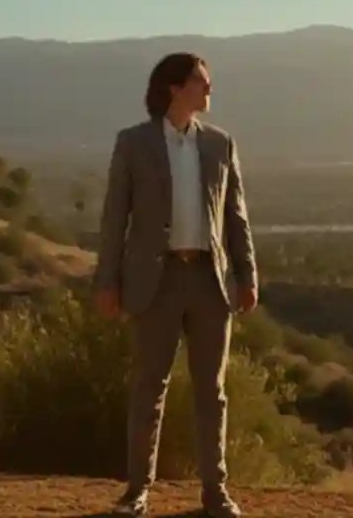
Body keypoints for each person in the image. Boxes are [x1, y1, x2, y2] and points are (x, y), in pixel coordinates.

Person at [92, 52, 259, 518]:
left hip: (210, 280)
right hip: (154, 281)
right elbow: (113, 219)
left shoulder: (220, 144)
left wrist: (248, 276)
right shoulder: (133, 143)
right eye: (202, 82)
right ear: (173, 87)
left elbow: (236, 217)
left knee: (213, 391)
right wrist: (107, 281)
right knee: (149, 387)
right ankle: (136, 492)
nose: (209, 90)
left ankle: (215, 493)